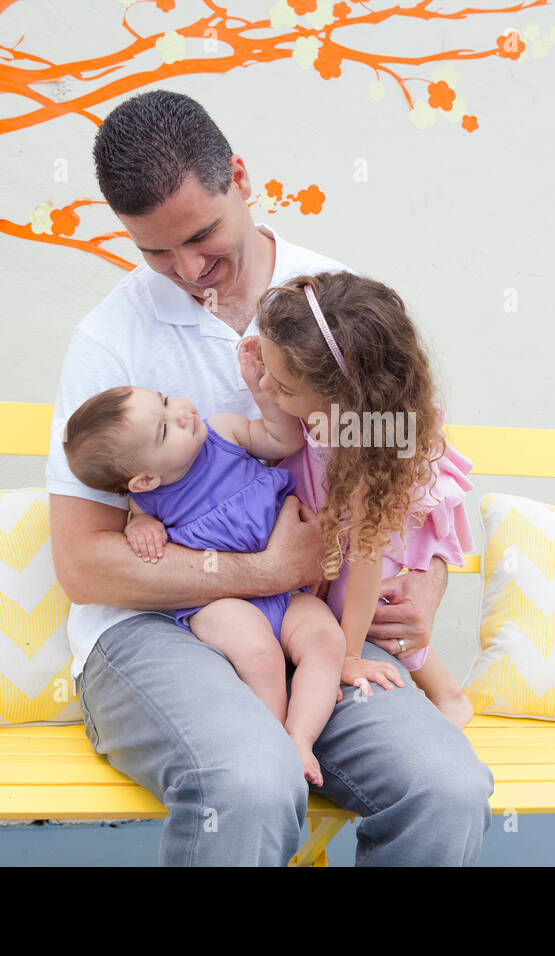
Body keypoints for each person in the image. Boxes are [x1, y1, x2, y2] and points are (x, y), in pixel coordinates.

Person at [46, 89, 493, 865]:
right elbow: (83, 564)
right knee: (249, 785)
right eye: (154, 251)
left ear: (241, 179)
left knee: (446, 790)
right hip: (152, 630)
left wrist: (422, 590)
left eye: (201, 235)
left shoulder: (335, 301)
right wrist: (258, 569)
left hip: (313, 622)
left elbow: (404, 477)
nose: (186, 270)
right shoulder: (109, 341)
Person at [59, 359, 351, 786]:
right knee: (261, 657)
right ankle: (272, 749)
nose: (180, 412)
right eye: (164, 429)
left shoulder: (224, 432)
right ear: (143, 479)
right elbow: (136, 531)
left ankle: (299, 739)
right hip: (222, 602)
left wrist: (261, 393)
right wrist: (140, 526)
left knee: (328, 642)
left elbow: (281, 440)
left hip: (290, 593)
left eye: (163, 401)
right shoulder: (150, 503)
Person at [253, 271, 477, 728]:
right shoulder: (323, 405)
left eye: (284, 387)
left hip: (366, 555)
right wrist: (268, 377)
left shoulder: (366, 447)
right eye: (266, 371)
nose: (267, 389)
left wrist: (349, 656)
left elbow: (368, 564)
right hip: (335, 541)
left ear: (340, 397)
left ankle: (449, 695)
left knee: (379, 612)